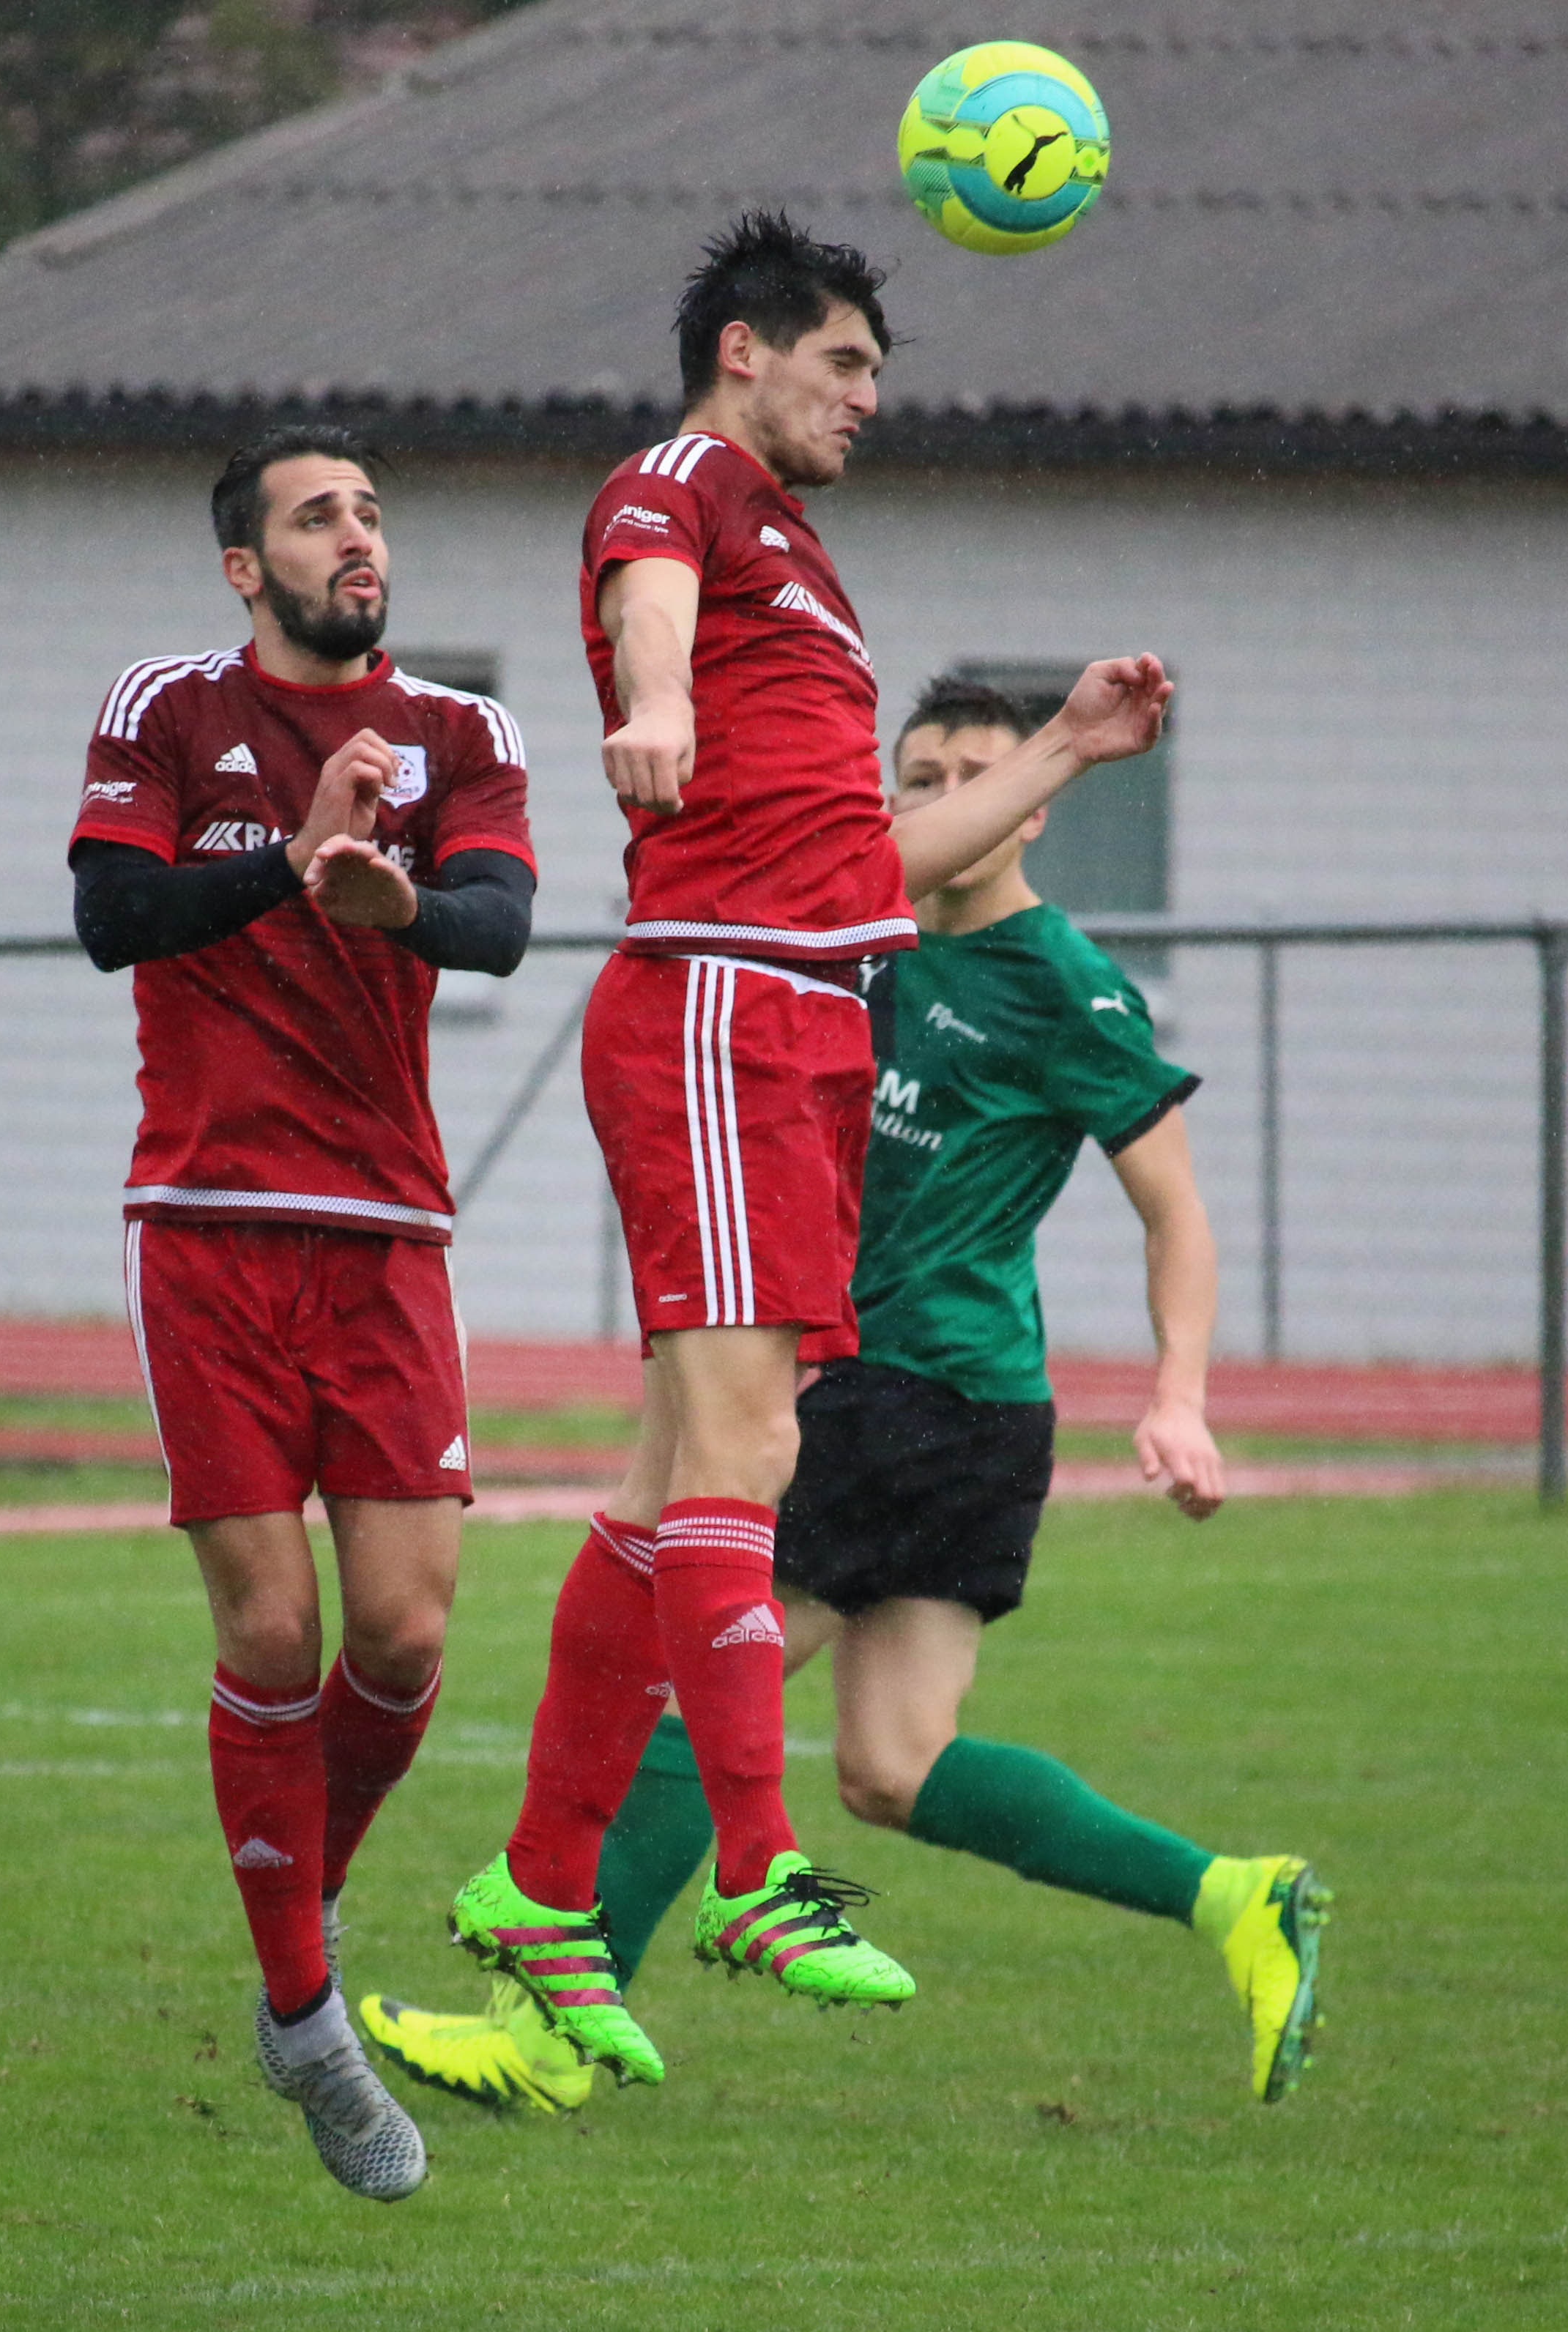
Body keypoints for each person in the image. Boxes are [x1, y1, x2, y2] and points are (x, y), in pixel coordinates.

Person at [371, 677, 1331, 2114]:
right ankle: (1235, 1898)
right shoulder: (849, 946)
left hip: (906, 1392)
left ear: (1033, 804)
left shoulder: (1063, 981)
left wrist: (1178, 1395)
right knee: (894, 1763)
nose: (938, 800)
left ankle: (546, 2032)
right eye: (916, 777)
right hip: (943, 1409)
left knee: (694, 1677)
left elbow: (1175, 1210)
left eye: (971, 776)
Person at [444, 212, 1175, 2090]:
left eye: (874, 373)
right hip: (722, 1004)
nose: (866, 398)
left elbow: (874, 864)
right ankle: (760, 1866)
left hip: (806, 1020)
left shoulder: (811, 573)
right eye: (843, 362)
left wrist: (1065, 751)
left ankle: (544, 1884)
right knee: (749, 1453)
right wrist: (659, 697)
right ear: (746, 351)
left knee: (668, 1479)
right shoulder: (684, 484)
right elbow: (643, 586)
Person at [69, 425, 538, 2201]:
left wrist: (395, 899)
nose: (358, 534)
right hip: (206, 1226)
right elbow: (114, 913)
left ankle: (300, 1899)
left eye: (370, 511)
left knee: (402, 1636)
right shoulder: (167, 707)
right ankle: (304, 2014)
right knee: (273, 1630)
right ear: (243, 565)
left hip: (386, 1232)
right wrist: (288, 862)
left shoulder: (461, 733)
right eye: (318, 514)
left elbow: (498, 921)